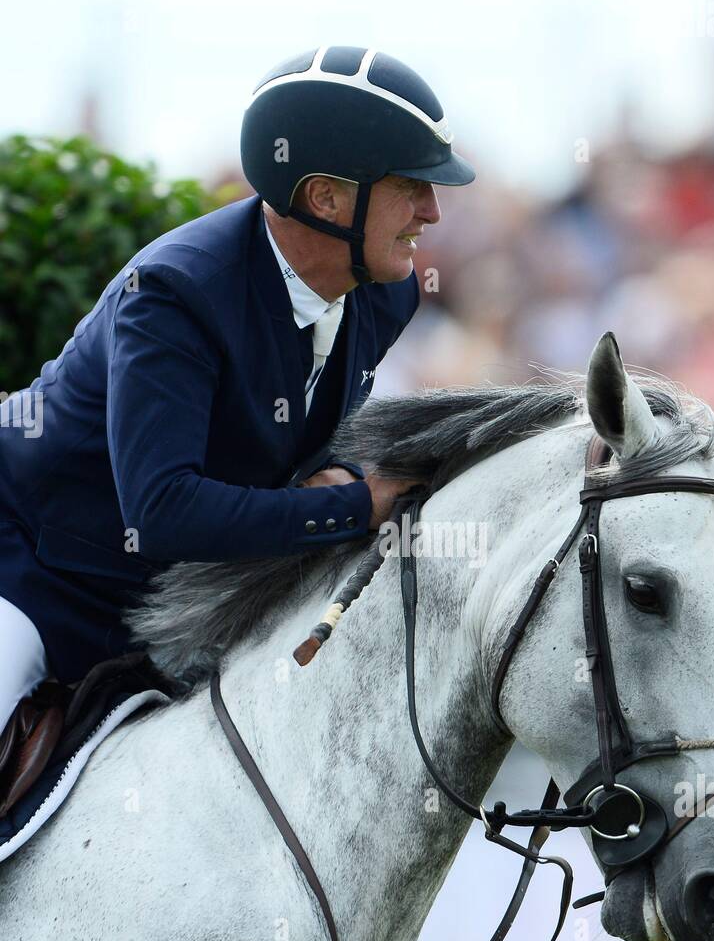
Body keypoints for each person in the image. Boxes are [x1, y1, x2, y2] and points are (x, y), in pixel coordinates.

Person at [0, 46, 475, 736]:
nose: (431, 212)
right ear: (326, 197)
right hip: (31, 576)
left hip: (179, 601)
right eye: (411, 185)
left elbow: (293, 422)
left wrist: (331, 468)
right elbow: (163, 509)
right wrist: (354, 504)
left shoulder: (389, 291)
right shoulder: (175, 295)